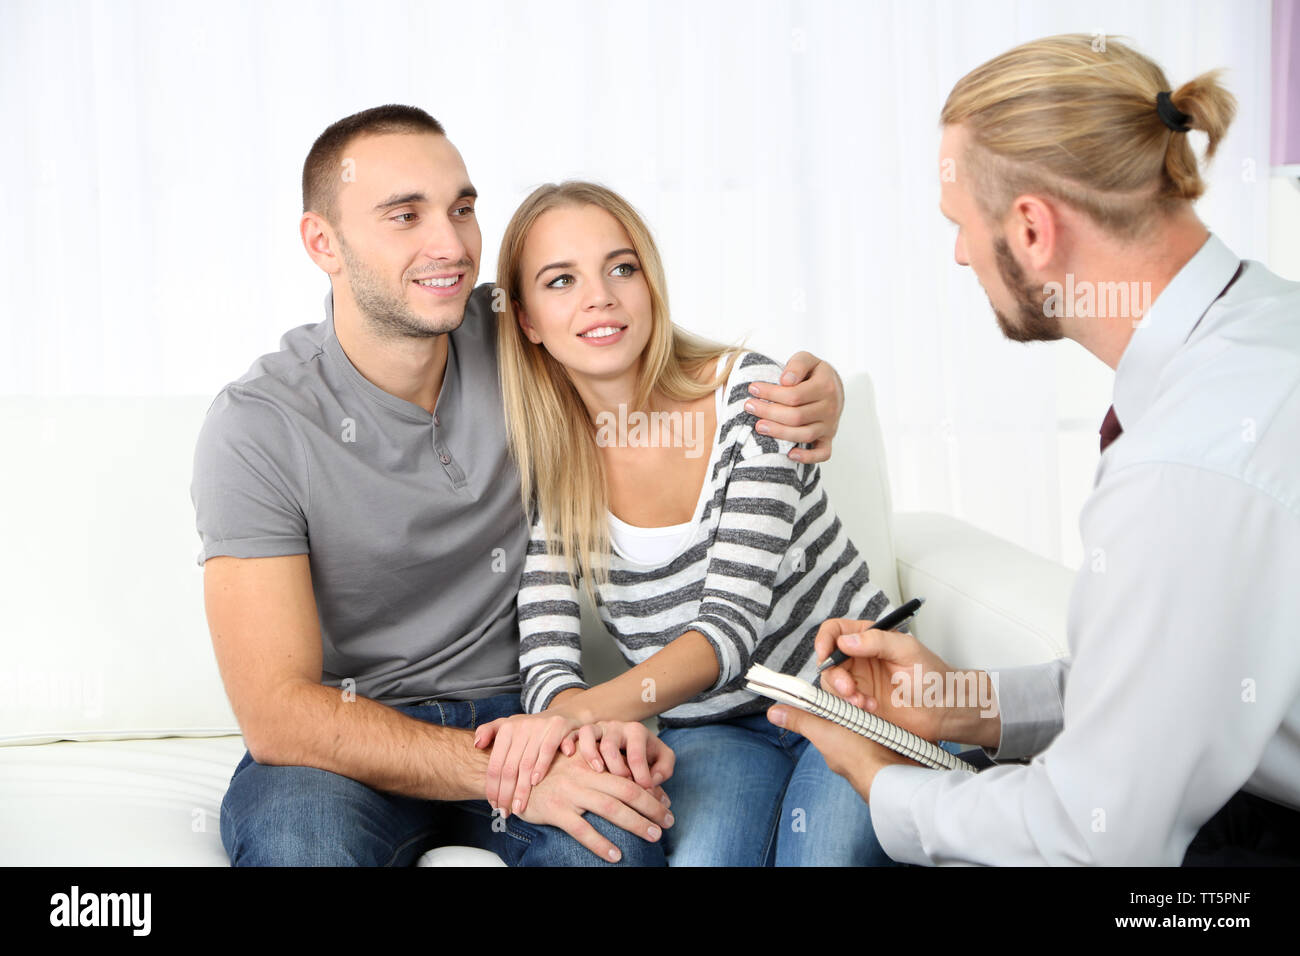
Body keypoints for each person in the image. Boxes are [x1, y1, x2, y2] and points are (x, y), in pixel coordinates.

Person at [190, 104, 848, 866]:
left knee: (612, 848)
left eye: (462, 209)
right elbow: (278, 716)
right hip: (352, 740)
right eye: (405, 215)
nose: (450, 245)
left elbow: (648, 353)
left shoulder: (524, 335)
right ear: (322, 243)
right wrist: (512, 772)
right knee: (302, 846)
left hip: (523, 712)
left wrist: (814, 389)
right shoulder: (257, 427)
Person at [771, 34, 1300, 866]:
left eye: (961, 226)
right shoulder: (1262, 325)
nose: (957, 254)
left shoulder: (1183, 467)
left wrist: (883, 783)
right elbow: (1168, 680)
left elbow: (1092, 838)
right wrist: (965, 705)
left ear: (1030, 228)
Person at [472, 180, 899, 866]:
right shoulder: (549, 461)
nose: (600, 296)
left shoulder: (751, 400)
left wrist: (577, 714)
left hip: (847, 695)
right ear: (526, 321)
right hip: (716, 732)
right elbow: (547, 656)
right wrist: (577, 715)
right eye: (561, 280)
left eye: (622, 267)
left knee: (823, 857)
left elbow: (726, 634)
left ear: (650, 282)